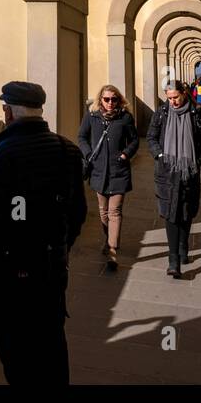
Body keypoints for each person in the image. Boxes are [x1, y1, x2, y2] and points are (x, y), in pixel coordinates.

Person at [0, 81, 87, 384]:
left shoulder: (2, 156)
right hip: (51, 266)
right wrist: (60, 244)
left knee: (16, 351)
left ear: (7, 112)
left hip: (11, 273)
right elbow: (77, 214)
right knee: (52, 344)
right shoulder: (67, 150)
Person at [146, 80, 201, 278]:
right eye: (169, 98)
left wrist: (196, 162)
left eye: (176, 97)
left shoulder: (196, 113)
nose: (173, 102)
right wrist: (160, 155)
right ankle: (173, 259)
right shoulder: (161, 113)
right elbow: (151, 137)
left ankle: (183, 247)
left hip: (189, 172)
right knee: (170, 213)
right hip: (166, 172)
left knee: (187, 211)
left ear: (183, 93)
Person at [77, 84, 139, 272]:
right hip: (98, 170)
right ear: (100, 100)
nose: (110, 103)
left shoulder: (125, 117)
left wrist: (125, 154)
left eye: (114, 99)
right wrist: (88, 155)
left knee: (115, 211)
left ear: (119, 100)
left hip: (118, 170)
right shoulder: (92, 116)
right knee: (103, 211)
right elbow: (82, 137)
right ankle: (108, 239)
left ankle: (112, 251)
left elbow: (134, 140)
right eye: (107, 99)